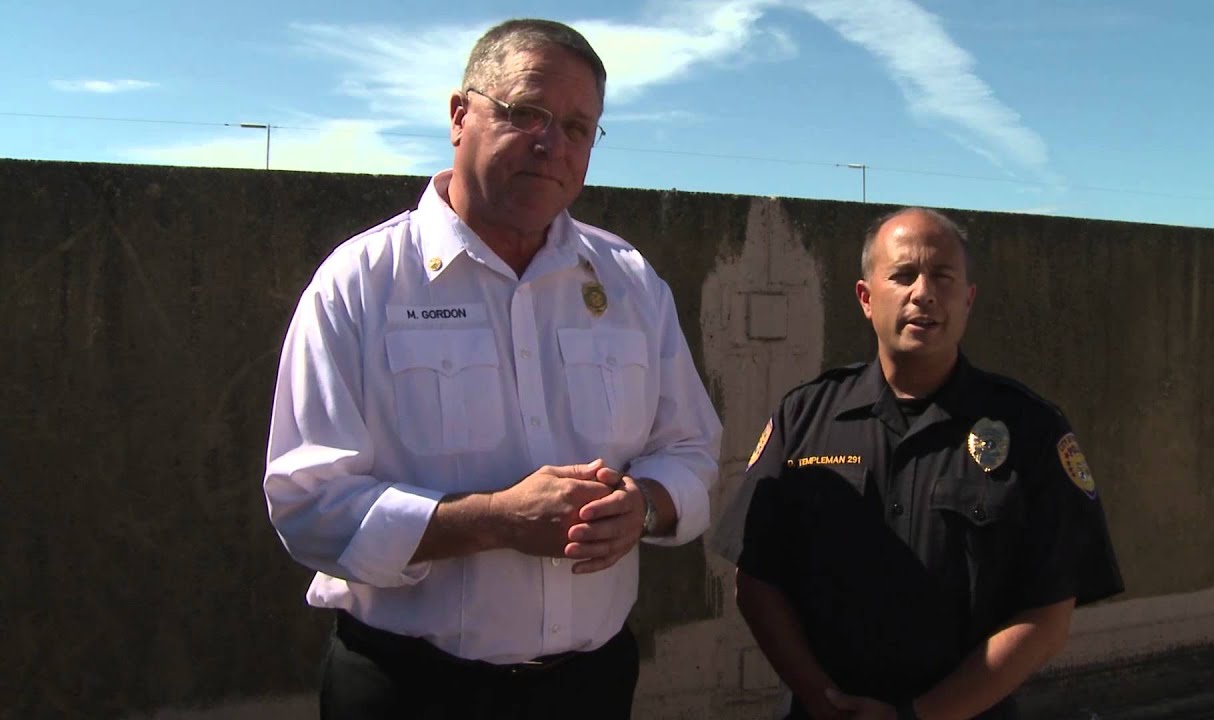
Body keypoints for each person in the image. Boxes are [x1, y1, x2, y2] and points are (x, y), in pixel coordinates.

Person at [263, 18, 721, 720]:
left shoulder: (628, 281)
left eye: (577, 127)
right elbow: (308, 504)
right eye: (526, 113)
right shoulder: (361, 283)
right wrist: (494, 521)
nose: (551, 144)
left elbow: (691, 449)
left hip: (588, 688)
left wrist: (646, 506)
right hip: (410, 689)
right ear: (459, 114)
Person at [713, 207, 1123, 719]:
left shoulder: (1031, 430)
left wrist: (920, 716)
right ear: (866, 298)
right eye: (903, 275)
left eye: (943, 277)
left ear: (968, 299)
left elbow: (1048, 613)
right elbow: (755, 579)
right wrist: (823, 701)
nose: (922, 292)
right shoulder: (805, 417)